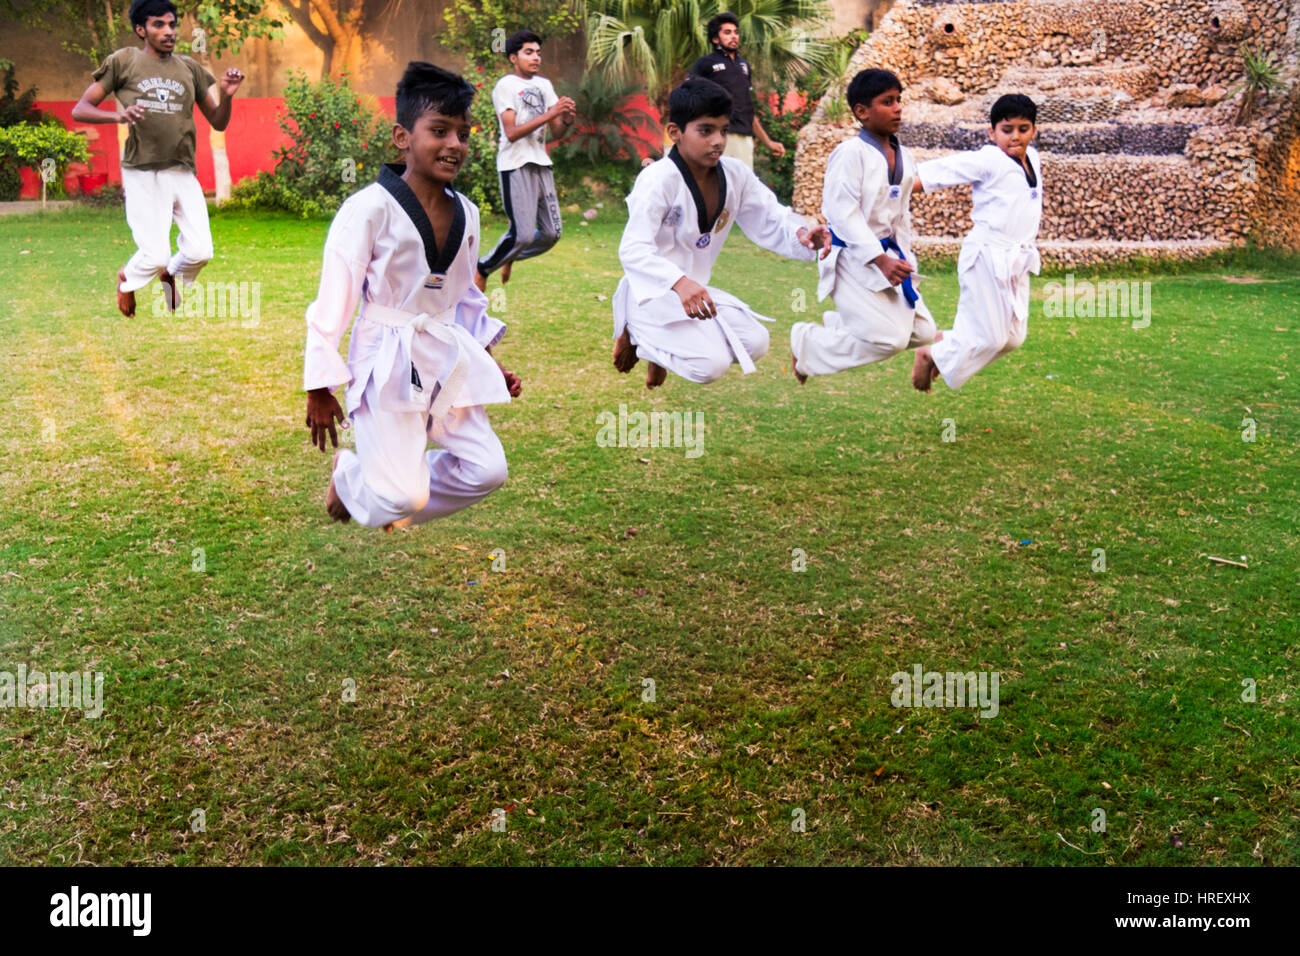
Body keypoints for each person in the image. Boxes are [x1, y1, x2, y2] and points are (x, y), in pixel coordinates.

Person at [303, 62, 522, 530]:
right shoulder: (367, 209)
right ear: (403, 137)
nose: (454, 145)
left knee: (488, 470)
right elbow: (333, 299)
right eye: (439, 131)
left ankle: (377, 484)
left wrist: (486, 360)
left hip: (444, 354)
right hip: (386, 358)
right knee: (402, 497)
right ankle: (360, 480)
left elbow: (465, 298)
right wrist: (319, 384)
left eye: (462, 134)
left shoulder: (466, 212)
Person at [613, 80, 831, 388]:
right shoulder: (658, 180)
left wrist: (803, 235)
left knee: (756, 342)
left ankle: (661, 350)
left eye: (723, 130)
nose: (718, 141)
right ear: (675, 133)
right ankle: (634, 332)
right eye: (706, 131)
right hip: (650, 291)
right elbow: (633, 249)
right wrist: (678, 282)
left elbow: (770, 216)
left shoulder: (735, 174)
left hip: (696, 292)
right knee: (710, 366)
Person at [71, 0, 244, 318]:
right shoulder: (124, 61)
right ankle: (127, 280)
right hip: (142, 171)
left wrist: (228, 95)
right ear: (141, 30)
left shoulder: (189, 68)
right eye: (158, 25)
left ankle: (172, 277)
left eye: (172, 25)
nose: (169, 31)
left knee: (201, 251)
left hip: (181, 169)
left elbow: (218, 121)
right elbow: (80, 109)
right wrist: (118, 117)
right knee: (155, 255)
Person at [790, 68, 936, 383]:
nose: (898, 107)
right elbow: (842, 213)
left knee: (924, 331)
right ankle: (807, 343)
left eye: (899, 100)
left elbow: (901, 214)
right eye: (887, 101)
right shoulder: (850, 154)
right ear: (862, 111)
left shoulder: (904, 155)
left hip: (887, 254)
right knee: (892, 339)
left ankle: (841, 324)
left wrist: (903, 257)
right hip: (851, 257)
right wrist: (878, 258)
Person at [910, 94, 1043, 391]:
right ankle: (929, 353)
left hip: (1017, 258)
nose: (1015, 137)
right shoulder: (988, 158)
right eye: (1007, 129)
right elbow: (939, 174)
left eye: (1023, 129)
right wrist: (889, 190)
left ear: (1034, 130)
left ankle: (947, 342)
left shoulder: (1033, 158)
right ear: (992, 132)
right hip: (986, 255)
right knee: (992, 338)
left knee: (1013, 338)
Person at [474, 30, 575, 292]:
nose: (536, 57)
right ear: (513, 58)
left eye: (538, 52)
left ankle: (508, 255)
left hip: (541, 163)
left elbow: (556, 132)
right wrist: (550, 113)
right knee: (522, 234)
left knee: (552, 233)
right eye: (528, 52)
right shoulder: (505, 86)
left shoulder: (545, 85)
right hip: (515, 164)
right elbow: (512, 132)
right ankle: (483, 267)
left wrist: (565, 119)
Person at [687, 11, 786, 168]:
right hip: (719, 135)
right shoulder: (705, 64)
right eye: (727, 32)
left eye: (736, 32)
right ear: (715, 38)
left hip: (745, 138)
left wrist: (768, 142)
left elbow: (747, 108)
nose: (733, 36)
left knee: (742, 189)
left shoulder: (744, 66)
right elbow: (690, 97)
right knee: (719, 188)